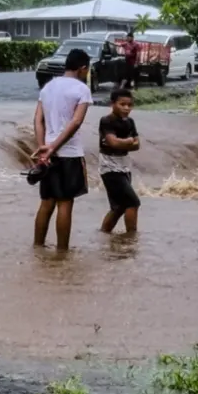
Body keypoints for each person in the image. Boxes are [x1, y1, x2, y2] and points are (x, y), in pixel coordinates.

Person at [30, 48, 93, 249]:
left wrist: (43, 147)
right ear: (82, 68)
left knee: (46, 202)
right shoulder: (82, 89)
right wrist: (54, 147)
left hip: (47, 156)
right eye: (87, 70)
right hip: (69, 154)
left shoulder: (48, 87)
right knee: (65, 203)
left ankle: (38, 247)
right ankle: (62, 253)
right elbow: (75, 122)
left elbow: (37, 120)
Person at [98, 88, 141, 234]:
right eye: (122, 104)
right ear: (112, 104)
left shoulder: (130, 122)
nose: (126, 108)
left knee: (118, 207)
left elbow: (137, 145)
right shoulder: (107, 121)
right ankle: (131, 238)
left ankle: (103, 234)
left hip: (124, 166)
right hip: (109, 167)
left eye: (129, 105)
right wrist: (128, 141)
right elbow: (113, 143)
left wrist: (123, 143)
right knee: (133, 202)